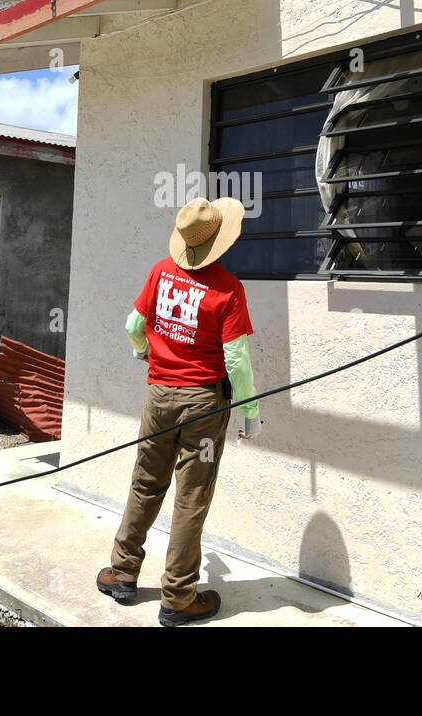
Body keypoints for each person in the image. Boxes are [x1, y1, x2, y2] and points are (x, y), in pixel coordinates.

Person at [95, 195, 261, 626]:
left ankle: (122, 572)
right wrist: (251, 412)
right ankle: (179, 596)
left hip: (158, 399)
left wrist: (142, 353)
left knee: (145, 484)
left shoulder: (159, 272)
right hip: (203, 406)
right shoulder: (228, 289)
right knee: (191, 497)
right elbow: (237, 360)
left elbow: (133, 326)